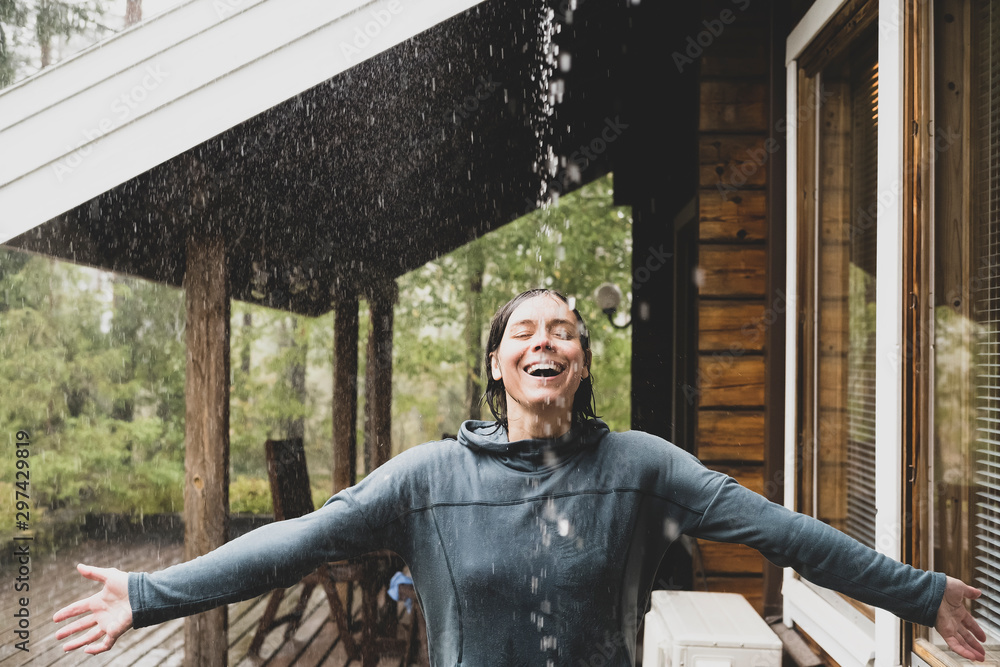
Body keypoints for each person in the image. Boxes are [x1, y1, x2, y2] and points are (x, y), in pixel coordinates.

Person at [55, 288, 988, 663]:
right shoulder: (425, 477)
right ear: (497, 364)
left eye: (565, 330)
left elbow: (781, 531)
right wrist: (148, 591)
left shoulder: (642, 466)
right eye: (523, 332)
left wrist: (918, 594)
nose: (546, 339)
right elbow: (291, 543)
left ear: (581, 364)